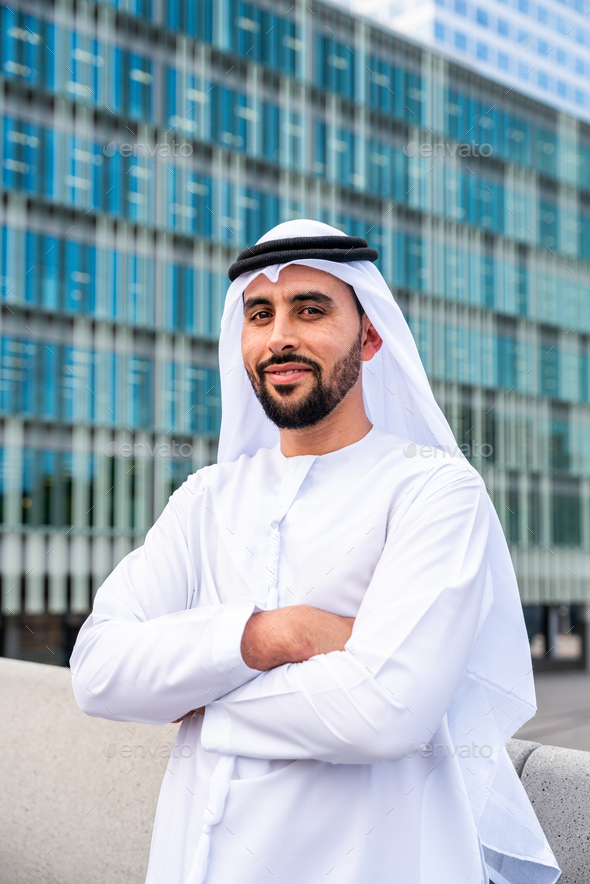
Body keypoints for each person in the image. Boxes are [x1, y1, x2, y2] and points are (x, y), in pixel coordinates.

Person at [70, 220, 560, 884]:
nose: (279, 337)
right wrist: (278, 634)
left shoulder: (435, 490)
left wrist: (196, 696)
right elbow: (97, 670)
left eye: (310, 309)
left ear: (371, 333)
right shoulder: (206, 499)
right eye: (260, 314)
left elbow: (384, 713)